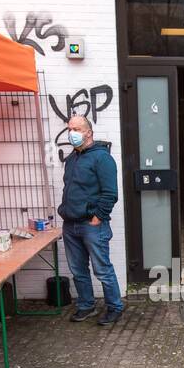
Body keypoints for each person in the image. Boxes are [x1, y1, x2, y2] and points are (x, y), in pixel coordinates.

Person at [58, 115, 123, 326]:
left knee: (102, 269)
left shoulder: (102, 158)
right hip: (70, 224)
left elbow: (110, 193)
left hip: (92, 225)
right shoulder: (72, 158)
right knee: (78, 270)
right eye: (70, 129)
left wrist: (97, 218)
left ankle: (115, 307)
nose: (72, 133)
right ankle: (86, 305)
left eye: (76, 129)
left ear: (88, 132)